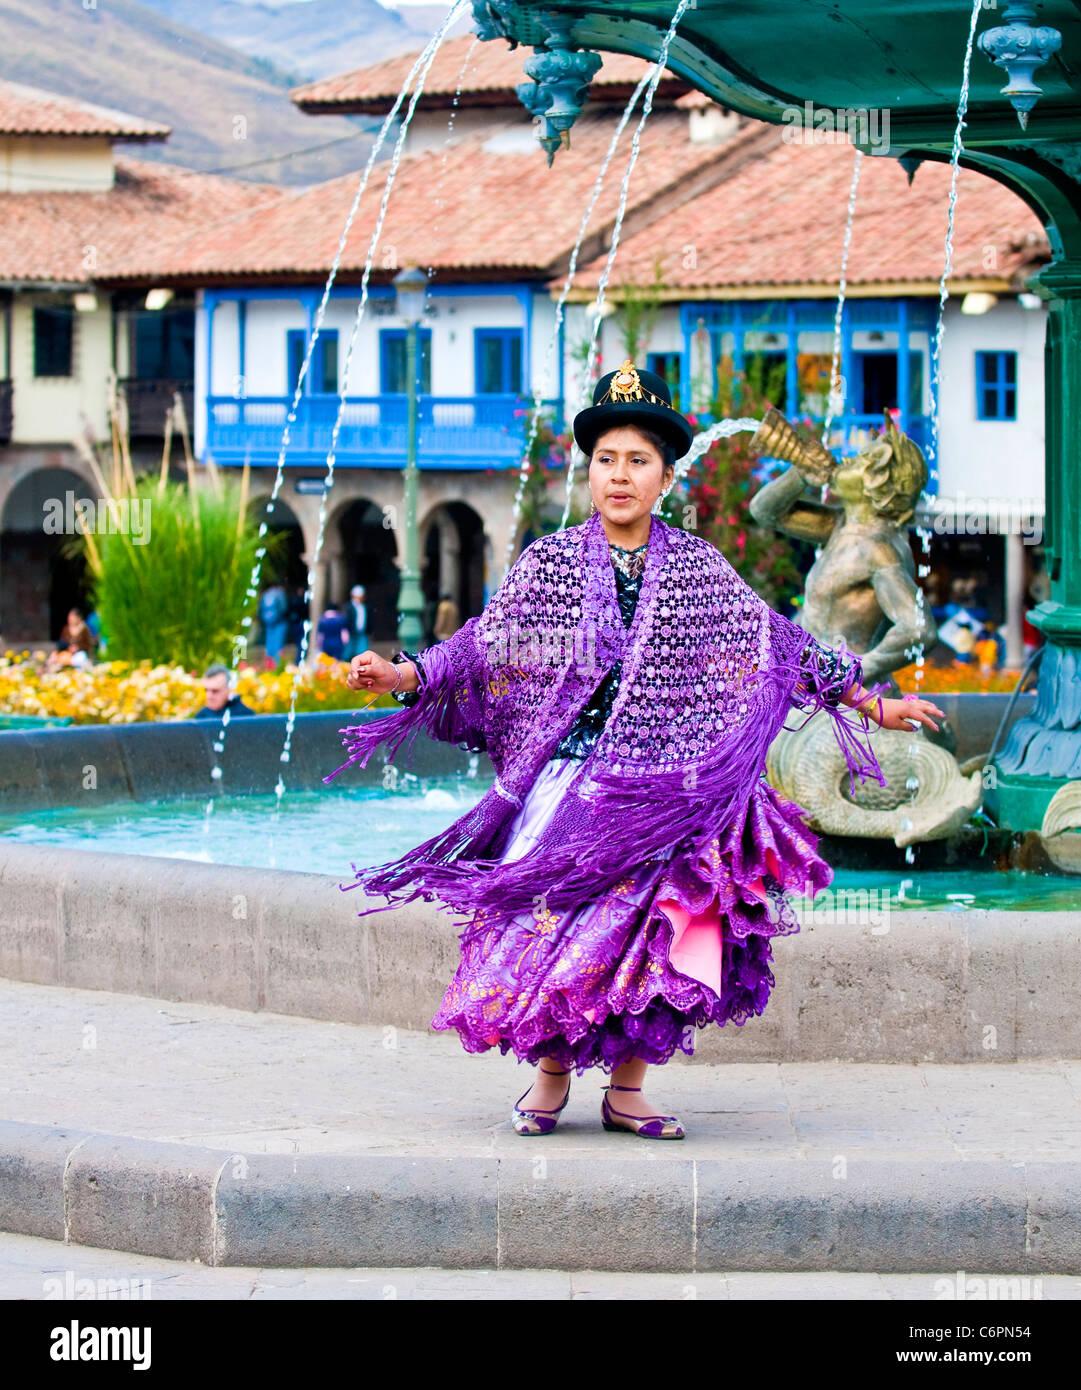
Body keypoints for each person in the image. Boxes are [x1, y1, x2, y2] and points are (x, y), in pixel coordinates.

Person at [327, 359, 943, 1140]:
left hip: (668, 784)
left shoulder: (695, 567)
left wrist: (871, 700)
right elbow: (486, 645)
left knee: (660, 934)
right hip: (568, 783)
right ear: (590, 473)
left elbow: (778, 644)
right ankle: (549, 1076)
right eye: (605, 461)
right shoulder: (549, 563)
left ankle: (627, 1089)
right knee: (554, 931)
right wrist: (404, 673)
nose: (619, 476)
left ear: (664, 476)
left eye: (637, 462)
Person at [258, 583, 289, 664]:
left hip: (268, 622)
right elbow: (284, 608)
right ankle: (277, 665)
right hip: (279, 622)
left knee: (269, 644)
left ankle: (269, 665)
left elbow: (260, 610)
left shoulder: (265, 595)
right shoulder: (279, 593)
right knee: (278, 644)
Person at [342, 585, 368, 661]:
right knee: (348, 652)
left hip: (362, 633)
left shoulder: (365, 607)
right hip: (351, 633)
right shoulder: (348, 607)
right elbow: (345, 620)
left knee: (362, 652)